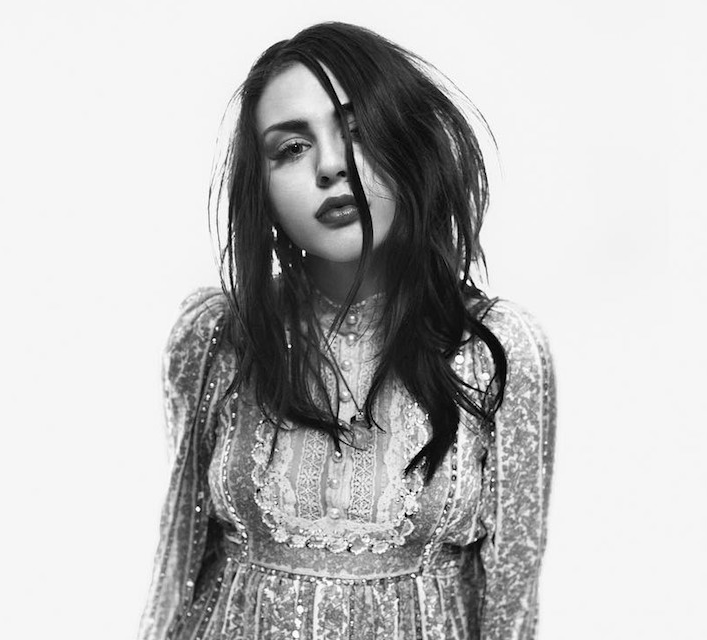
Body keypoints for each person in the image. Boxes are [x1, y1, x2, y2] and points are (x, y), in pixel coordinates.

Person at [138, 22, 556, 640]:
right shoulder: (216, 336)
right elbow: (180, 568)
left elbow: (511, 610)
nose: (331, 167)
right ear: (261, 190)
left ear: (410, 145)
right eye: (291, 148)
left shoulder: (496, 350)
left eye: (356, 132)